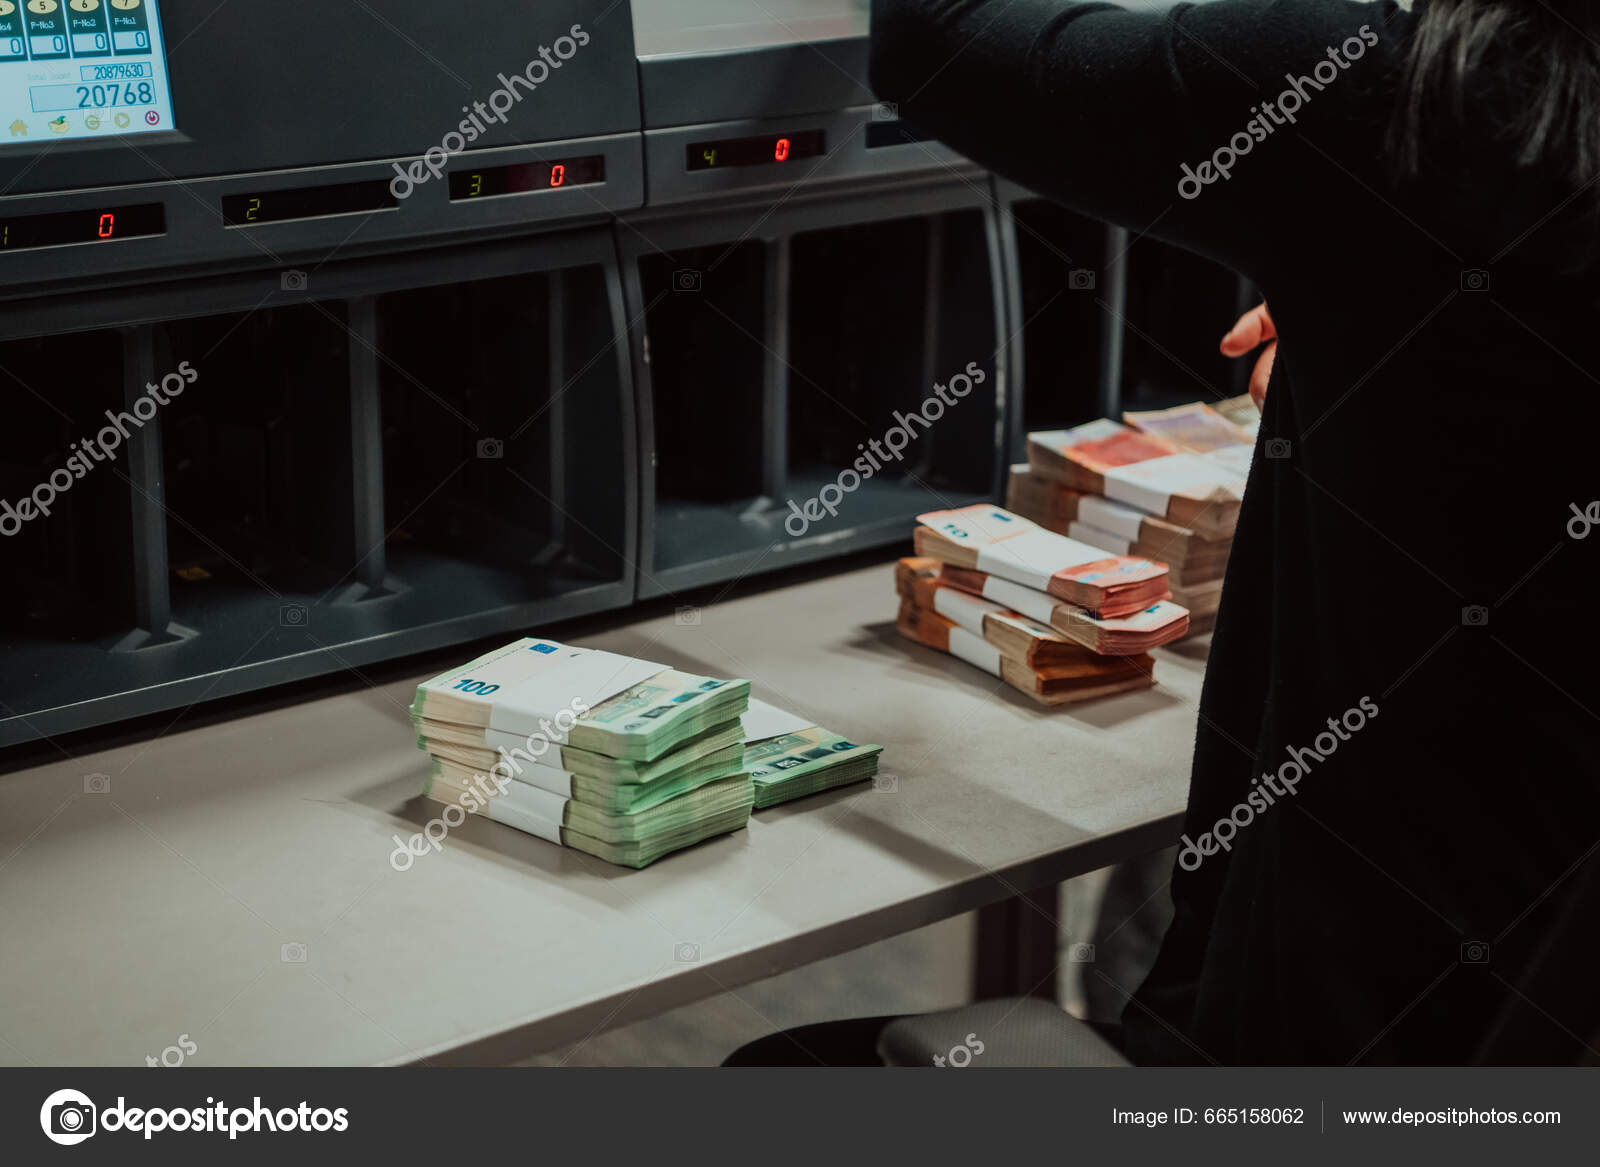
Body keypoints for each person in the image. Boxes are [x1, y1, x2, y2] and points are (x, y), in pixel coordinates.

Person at [745, 0, 1599, 1066]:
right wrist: (1363, 306)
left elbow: (938, 41)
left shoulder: (1408, 96)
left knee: (772, 1079)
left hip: (1326, 1053)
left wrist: (1367, 275)